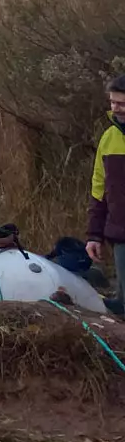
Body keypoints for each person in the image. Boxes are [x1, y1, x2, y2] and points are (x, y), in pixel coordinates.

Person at [84, 74, 125, 298]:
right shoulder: (108, 138)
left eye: (121, 103)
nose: (115, 108)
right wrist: (94, 235)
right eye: (113, 102)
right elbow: (99, 191)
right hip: (121, 237)